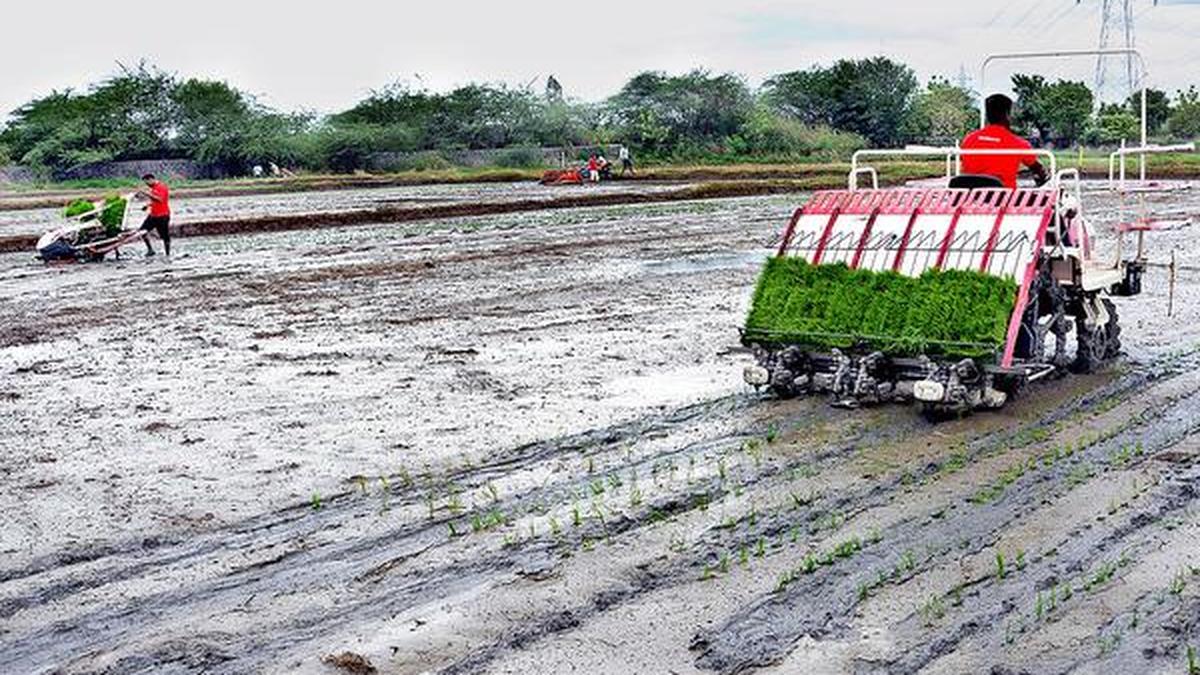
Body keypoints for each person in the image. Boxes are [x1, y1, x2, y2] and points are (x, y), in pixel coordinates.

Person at [961, 94, 1048, 189]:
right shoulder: (1019, 144)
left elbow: (964, 162)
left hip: (969, 198)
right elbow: (1037, 169)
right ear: (1007, 114)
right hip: (1004, 199)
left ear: (987, 115)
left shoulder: (968, 140)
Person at [137, 173, 172, 256]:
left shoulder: (161, 187)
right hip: (153, 215)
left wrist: (146, 193)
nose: (147, 185)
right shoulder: (153, 188)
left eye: (147, 183)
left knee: (165, 236)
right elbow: (154, 201)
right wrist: (148, 205)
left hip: (163, 216)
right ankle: (150, 250)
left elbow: (160, 199)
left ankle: (167, 254)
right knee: (142, 231)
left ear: (151, 179)